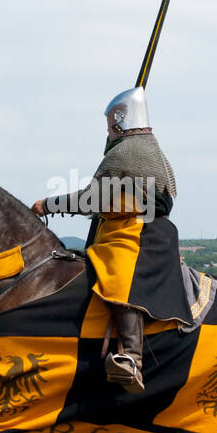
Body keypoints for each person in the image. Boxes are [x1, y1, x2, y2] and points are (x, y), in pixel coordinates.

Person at [32, 87, 191, 392]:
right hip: (131, 228)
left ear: (119, 121)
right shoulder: (143, 149)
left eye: (110, 127)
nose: (107, 133)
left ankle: (131, 357)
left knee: (118, 273)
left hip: (137, 234)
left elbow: (92, 200)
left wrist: (48, 204)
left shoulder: (127, 152)